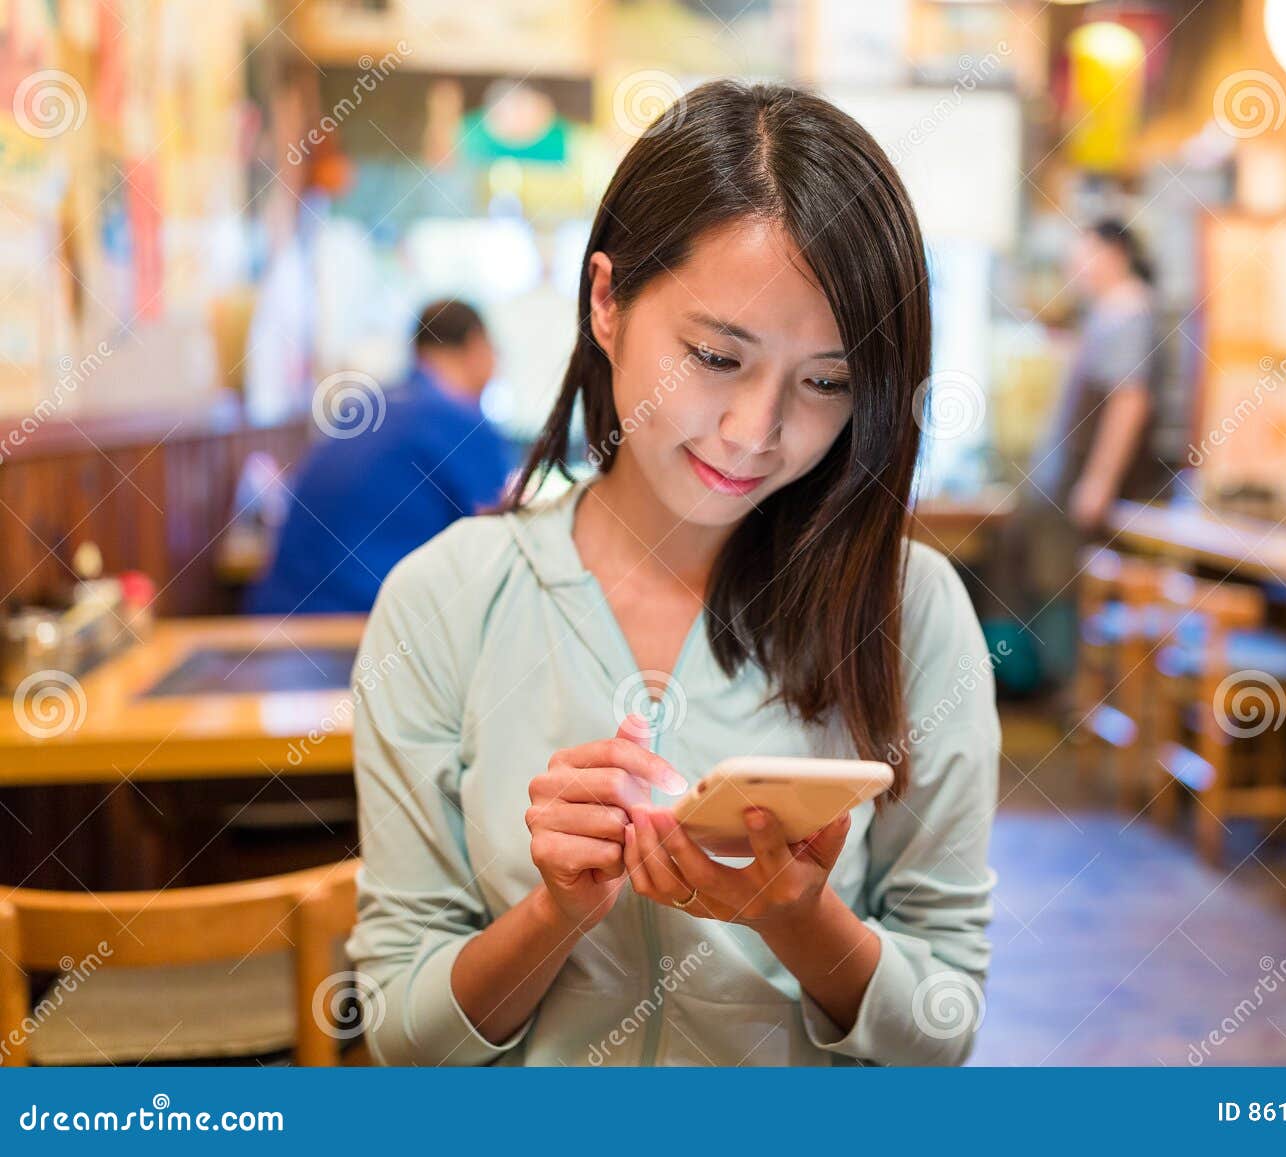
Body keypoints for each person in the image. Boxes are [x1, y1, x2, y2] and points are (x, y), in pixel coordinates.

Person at [346, 80, 1000, 1067]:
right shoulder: (444, 599)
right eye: (716, 356)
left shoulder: (908, 609)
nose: (755, 431)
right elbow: (402, 1034)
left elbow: (942, 1029)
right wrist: (555, 912)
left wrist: (801, 919)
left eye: (826, 381)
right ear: (606, 301)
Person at [988, 219, 1165, 705]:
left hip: (1083, 487)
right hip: (1061, 483)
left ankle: (1077, 698)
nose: (1074, 267)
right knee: (1047, 578)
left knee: (1069, 587)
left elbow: (1130, 400)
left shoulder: (1130, 312)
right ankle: (1064, 692)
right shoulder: (1106, 314)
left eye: (1082, 255)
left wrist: (1099, 481)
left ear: (1114, 255)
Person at [246, 300, 512, 615]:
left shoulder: (366, 405)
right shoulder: (462, 424)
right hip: (354, 623)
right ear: (476, 346)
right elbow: (498, 546)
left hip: (276, 613)